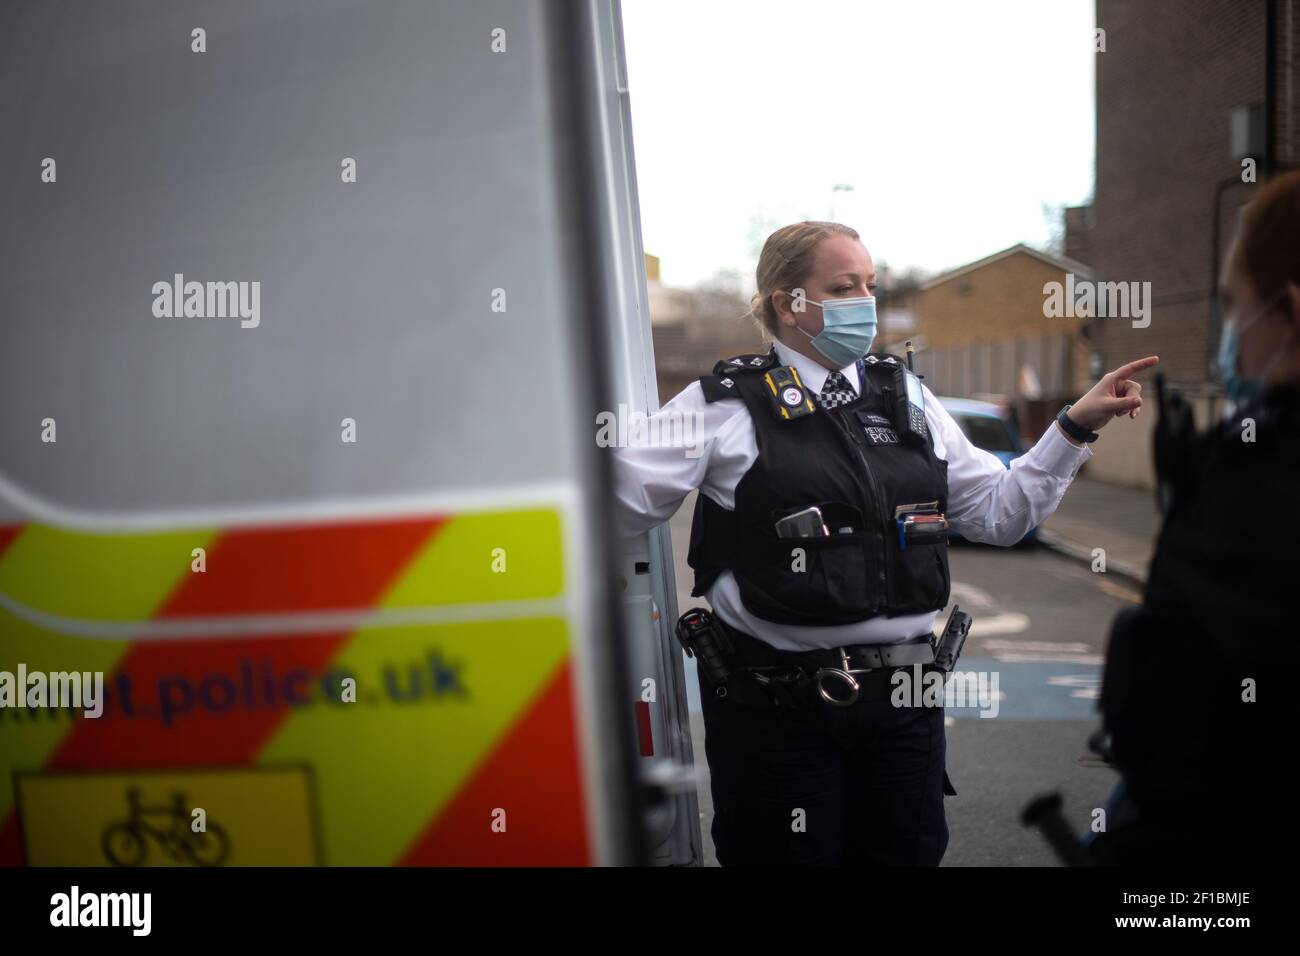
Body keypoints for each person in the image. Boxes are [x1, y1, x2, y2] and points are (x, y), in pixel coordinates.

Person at [611, 221, 1157, 866]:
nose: (864, 302)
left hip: (905, 711)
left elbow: (999, 514)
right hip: (778, 714)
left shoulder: (908, 397)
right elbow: (609, 502)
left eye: (869, 285)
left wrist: (1072, 428)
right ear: (790, 304)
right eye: (844, 287)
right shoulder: (724, 406)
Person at [1088, 171, 1300, 867]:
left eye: (1233, 305)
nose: (1227, 339)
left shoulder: (1254, 485)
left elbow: (1186, 753)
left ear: (1289, 316)